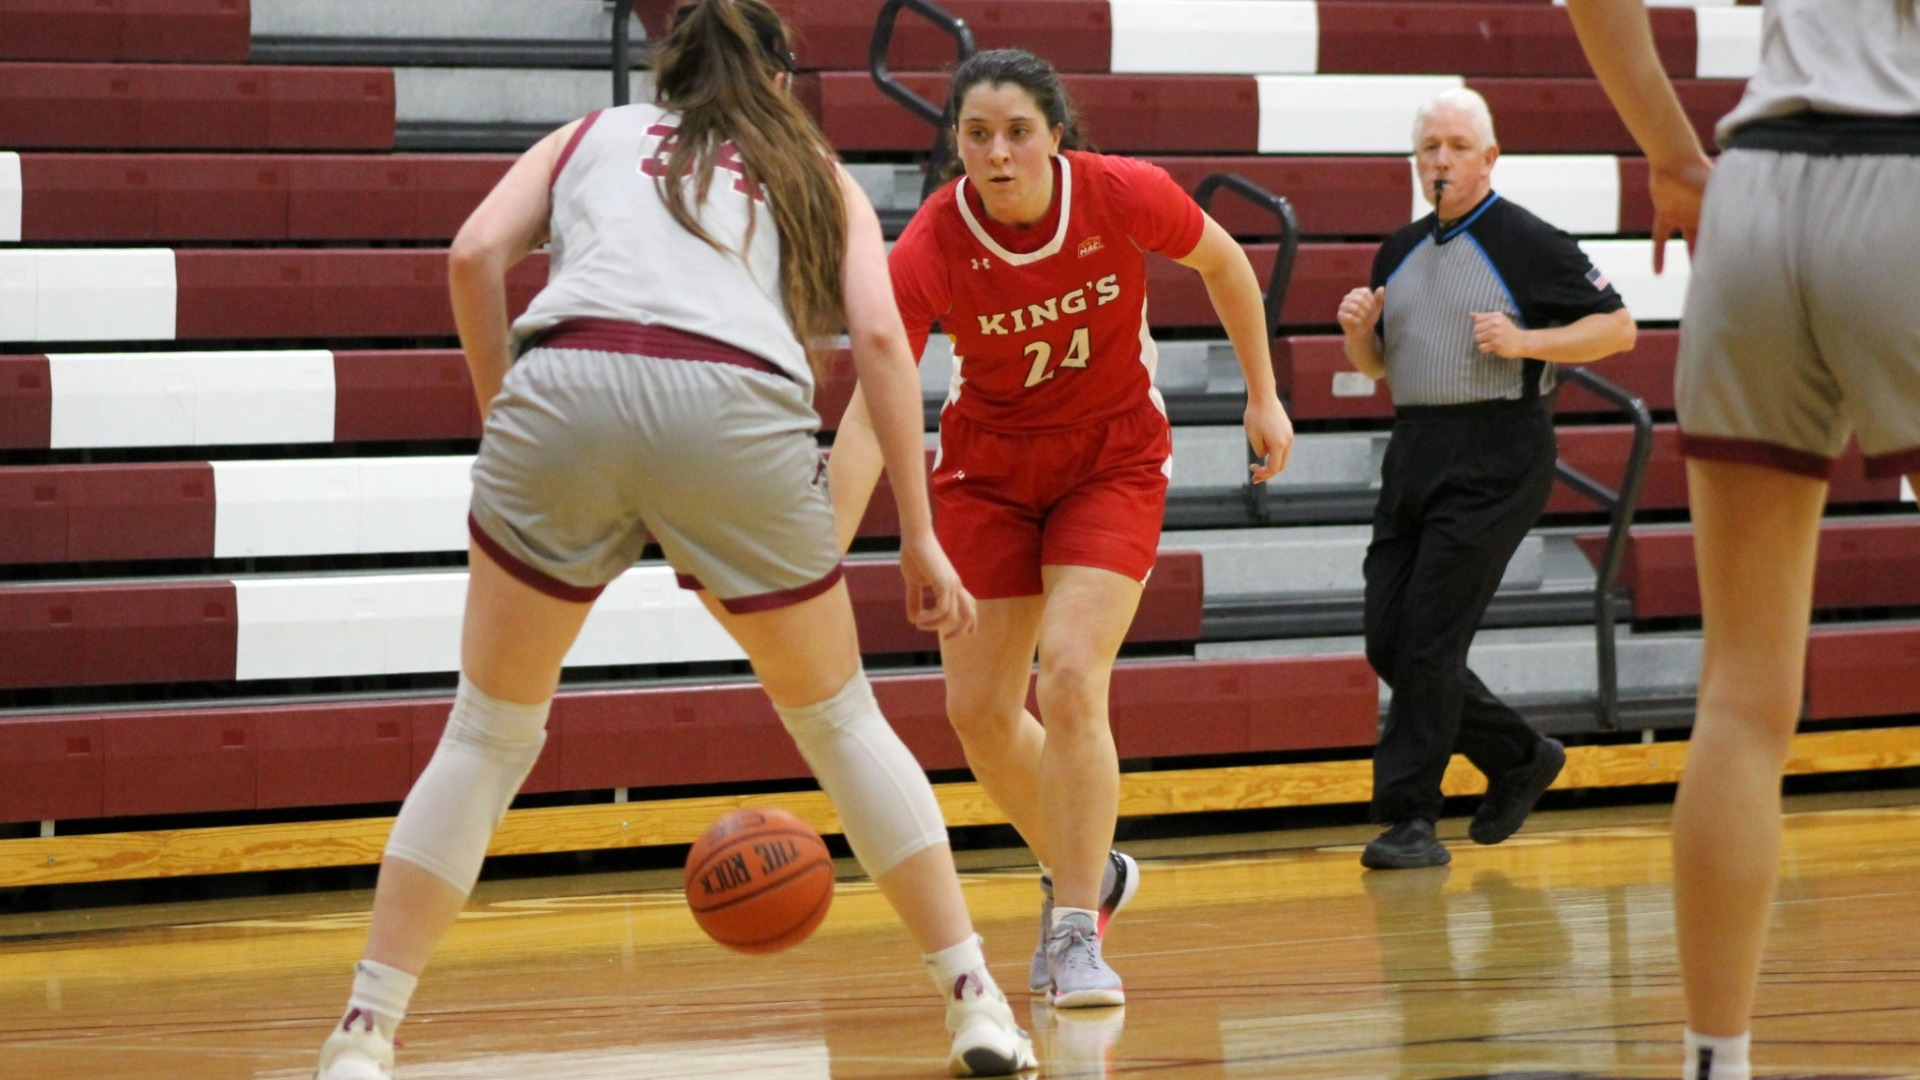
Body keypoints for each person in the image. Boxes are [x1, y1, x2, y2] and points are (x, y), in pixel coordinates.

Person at [313, 2, 1039, 1077]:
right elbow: (882, 341)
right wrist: (920, 539)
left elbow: (472, 256)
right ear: (782, 78)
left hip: (563, 385)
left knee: (486, 735)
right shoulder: (813, 168)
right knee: (839, 719)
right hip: (732, 403)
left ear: (668, 75)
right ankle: (975, 999)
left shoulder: (591, 133)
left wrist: (507, 416)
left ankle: (365, 1030)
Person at [831, 48, 1296, 1008]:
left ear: (1054, 135)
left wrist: (1264, 394)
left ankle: (1077, 928)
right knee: (979, 713)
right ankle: (1093, 862)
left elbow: (1223, 260)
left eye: (1017, 132)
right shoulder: (931, 241)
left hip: (1110, 459)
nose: (997, 153)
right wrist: (821, 548)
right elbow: (875, 401)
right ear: (955, 142)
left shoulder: (1120, 193)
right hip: (989, 472)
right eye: (976, 135)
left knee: (1075, 675)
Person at [1561, 2, 1920, 1077]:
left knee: (1743, 695)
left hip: (1756, 184)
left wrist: (1672, 155)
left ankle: (1715, 1060)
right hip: (1904, 168)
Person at [1335, 88, 1638, 871]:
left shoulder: (1527, 241)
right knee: (1388, 638)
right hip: (1416, 448)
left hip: (1499, 453)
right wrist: (1360, 338)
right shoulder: (1396, 250)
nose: (1441, 160)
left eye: (1457, 146)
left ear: (1489, 157)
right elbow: (1377, 370)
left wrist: (1526, 339)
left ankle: (1410, 819)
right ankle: (1517, 757)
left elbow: (1619, 327)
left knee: (1430, 637)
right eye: (1429, 146)